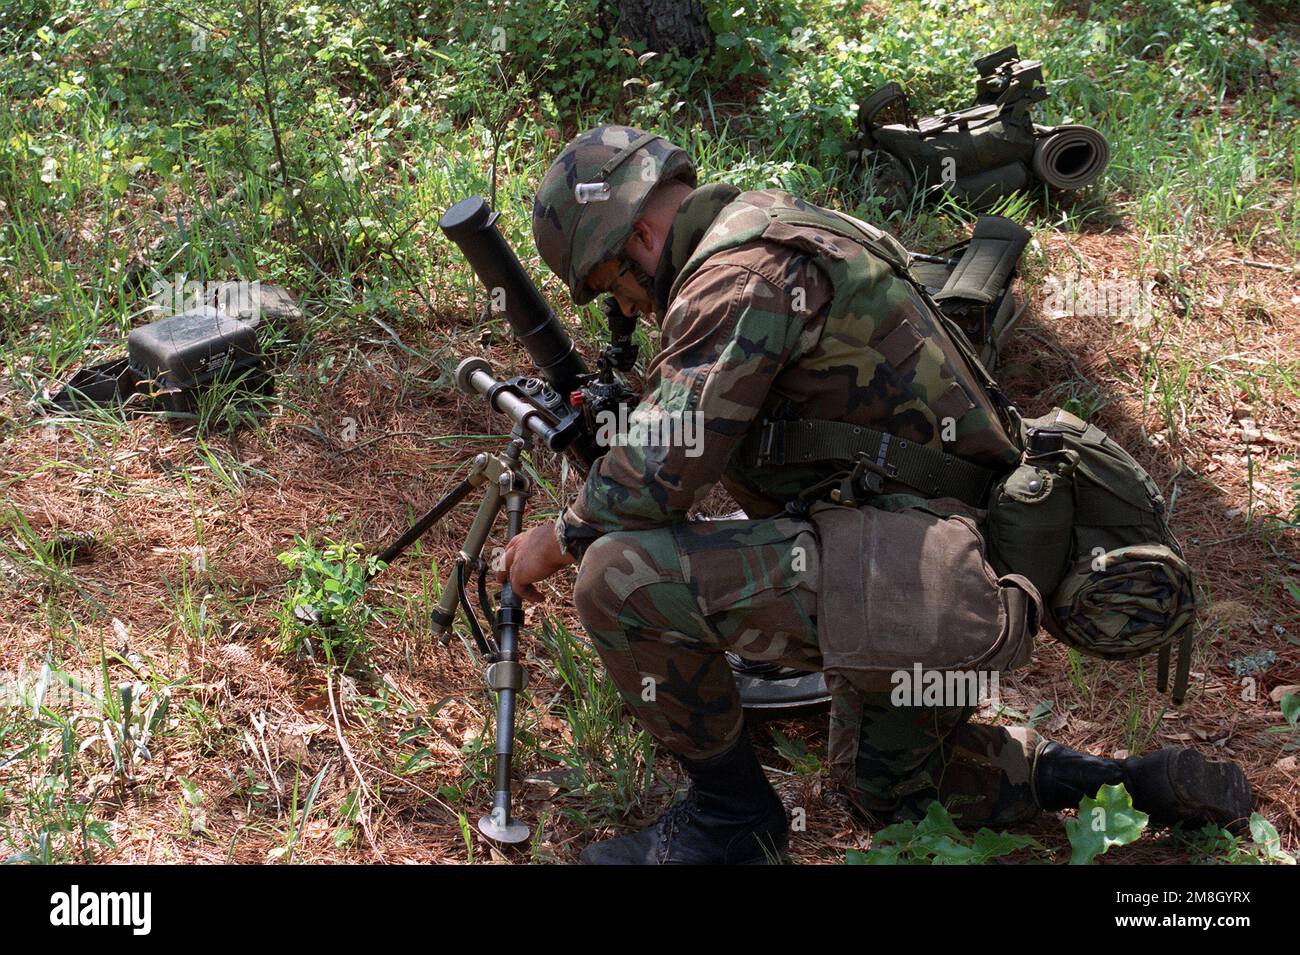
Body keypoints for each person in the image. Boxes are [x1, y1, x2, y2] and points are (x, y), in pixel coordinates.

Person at [500, 125, 1252, 865]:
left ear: (632, 239)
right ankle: (1125, 783)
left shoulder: (736, 278)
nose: (628, 311)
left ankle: (731, 818)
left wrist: (555, 540)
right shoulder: (777, 225)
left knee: (620, 576)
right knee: (887, 793)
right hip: (954, 581)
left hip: (916, 580)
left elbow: (658, 475)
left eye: (612, 290)